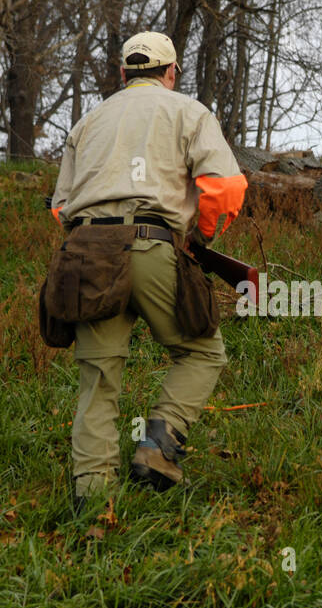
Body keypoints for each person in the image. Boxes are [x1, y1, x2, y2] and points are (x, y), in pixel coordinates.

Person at [49, 31, 247, 511]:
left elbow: (60, 209)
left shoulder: (88, 121)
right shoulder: (188, 111)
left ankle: (93, 502)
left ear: (123, 74)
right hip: (154, 246)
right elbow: (225, 189)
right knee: (202, 352)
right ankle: (159, 444)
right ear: (171, 72)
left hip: (89, 253)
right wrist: (201, 237)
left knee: (98, 376)